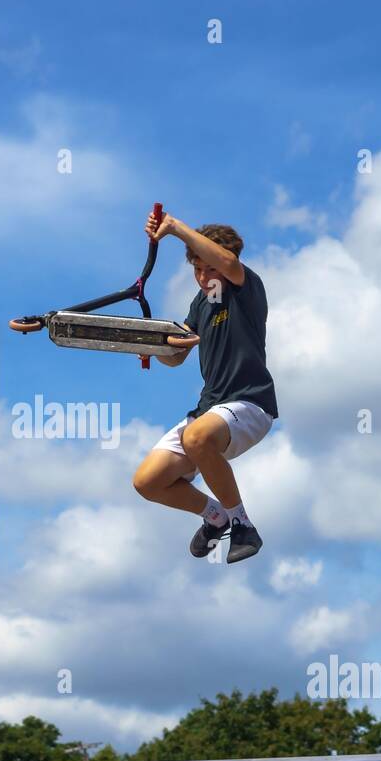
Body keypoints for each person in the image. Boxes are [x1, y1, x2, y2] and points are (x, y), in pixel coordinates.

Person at [132, 209, 277, 563]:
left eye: (209, 268)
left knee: (196, 436)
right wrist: (155, 348)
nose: (202, 276)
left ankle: (243, 526)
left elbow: (227, 261)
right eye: (197, 269)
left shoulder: (245, 286)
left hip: (250, 403)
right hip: (210, 409)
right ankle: (216, 517)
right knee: (147, 481)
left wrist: (175, 227)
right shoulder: (201, 303)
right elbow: (176, 358)